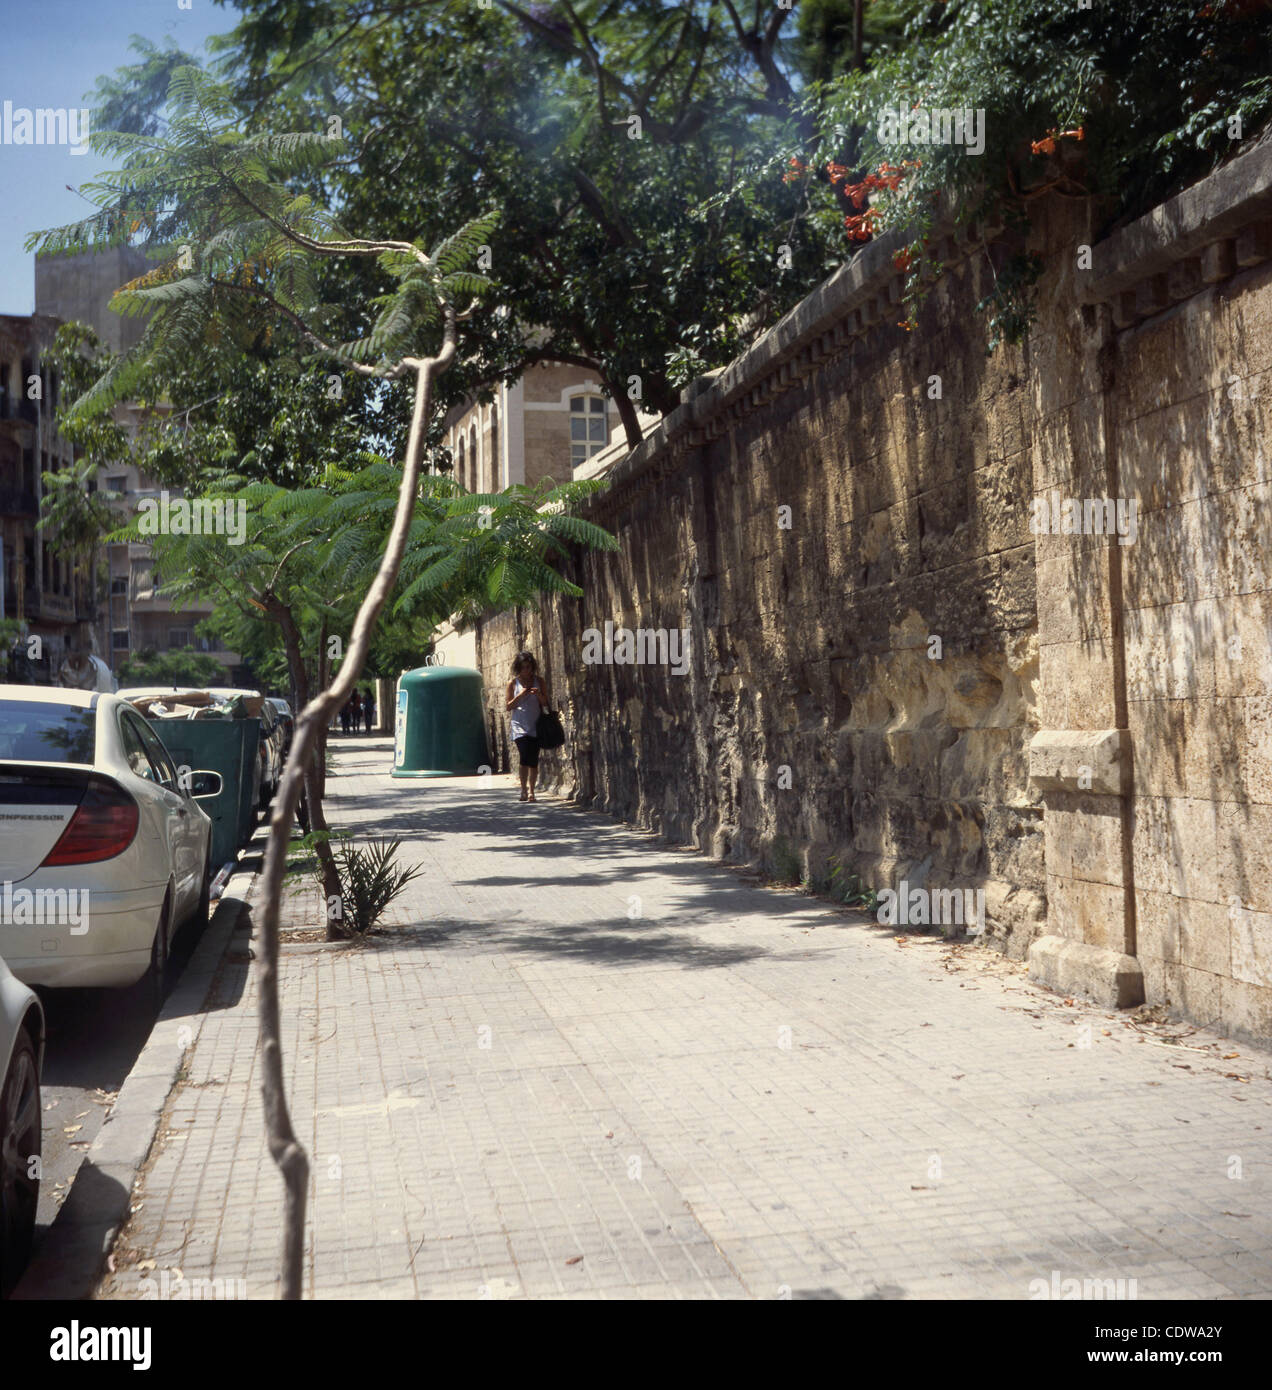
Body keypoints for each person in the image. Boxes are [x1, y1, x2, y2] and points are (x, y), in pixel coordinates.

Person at [505, 650, 550, 803]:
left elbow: (545, 703)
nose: (527, 671)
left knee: (533, 759)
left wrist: (538, 695)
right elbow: (508, 706)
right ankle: (523, 789)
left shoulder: (540, 681)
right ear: (519, 668)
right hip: (519, 726)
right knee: (524, 756)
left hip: (536, 725)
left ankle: (532, 791)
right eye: (523, 667)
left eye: (529, 667)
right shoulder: (513, 683)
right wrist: (521, 695)